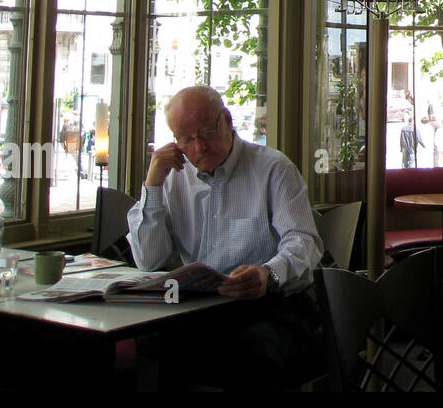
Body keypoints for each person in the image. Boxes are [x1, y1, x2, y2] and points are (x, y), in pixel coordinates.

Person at [128, 85, 324, 390]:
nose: (199, 147)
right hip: (200, 307)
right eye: (187, 139)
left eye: (207, 132)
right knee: (133, 348)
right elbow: (150, 262)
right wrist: (152, 185)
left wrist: (268, 273)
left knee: (250, 356)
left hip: (272, 304)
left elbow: (303, 242)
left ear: (227, 120)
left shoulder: (273, 168)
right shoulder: (172, 178)